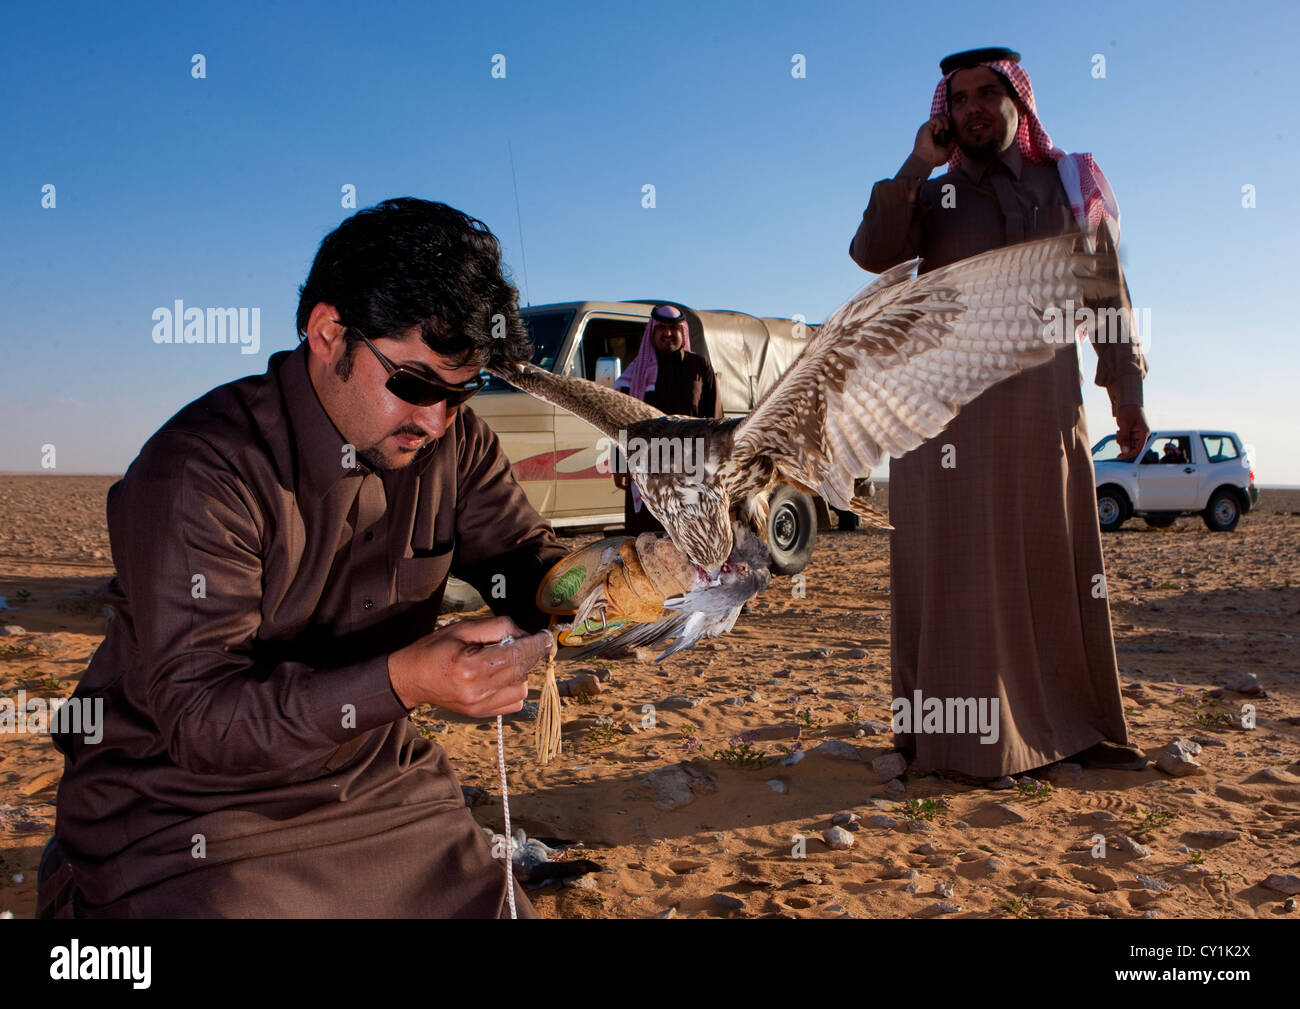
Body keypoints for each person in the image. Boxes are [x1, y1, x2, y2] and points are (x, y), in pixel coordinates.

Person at [40, 198, 565, 918]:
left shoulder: (456, 444)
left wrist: (610, 585)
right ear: (327, 333)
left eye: (462, 391)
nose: (435, 419)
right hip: (186, 804)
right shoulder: (200, 469)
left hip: (378, 786)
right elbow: (201, 720)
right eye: (414, 384)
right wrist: (405, 678)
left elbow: (525, 563)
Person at [849, 48, 1151, 779]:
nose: (975, 107)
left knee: (1051, 559)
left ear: (1021, 102)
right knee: (949, 567)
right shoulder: (931, 195)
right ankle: (949, 739)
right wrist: (918, 164)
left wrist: (1126, 391)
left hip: (1045, 404)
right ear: (944, 114)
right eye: (959, 99)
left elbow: (1109, 294)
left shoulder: (1072, 182)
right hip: (941, 416)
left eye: (990, 92)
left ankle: (1066, 727)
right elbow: (871, 251)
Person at [612, 303, 723, 535]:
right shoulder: (636, 374)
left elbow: (715, 419)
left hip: (690, 470)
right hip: (646, 469)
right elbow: (618, 420)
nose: (668, 333)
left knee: (689, 539)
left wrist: (716, 465)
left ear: (682, 331)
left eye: (674, 328)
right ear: (652, 331)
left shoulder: (699, 368)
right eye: (661, 328)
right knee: (645, 540)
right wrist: (619, 464)